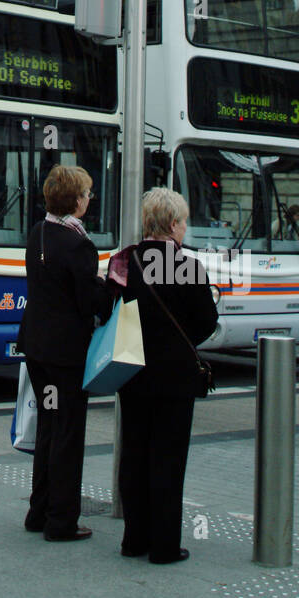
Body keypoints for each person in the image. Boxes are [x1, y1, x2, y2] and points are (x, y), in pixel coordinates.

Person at [108, 188, 218, 564]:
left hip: (131, 370)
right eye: (184, 221)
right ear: (172, 224)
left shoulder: (123, 263)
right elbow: (207, 322)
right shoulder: (188, 267)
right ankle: (164, 545)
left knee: (134, 452)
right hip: (174, 376)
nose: (186, 228)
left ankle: (133, 538)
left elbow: (109, 312)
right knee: (168, 458)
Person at [16, 164, 112, 541]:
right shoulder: (79, 244)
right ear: (75, 202)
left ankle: (38, 511)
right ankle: (61, 521)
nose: (90, 199)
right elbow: (89, 302)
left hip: (37, 349)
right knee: (68, 435)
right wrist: (108, 287)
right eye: (87, 194)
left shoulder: (38, 232)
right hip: (66, 356)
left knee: (49, 427)